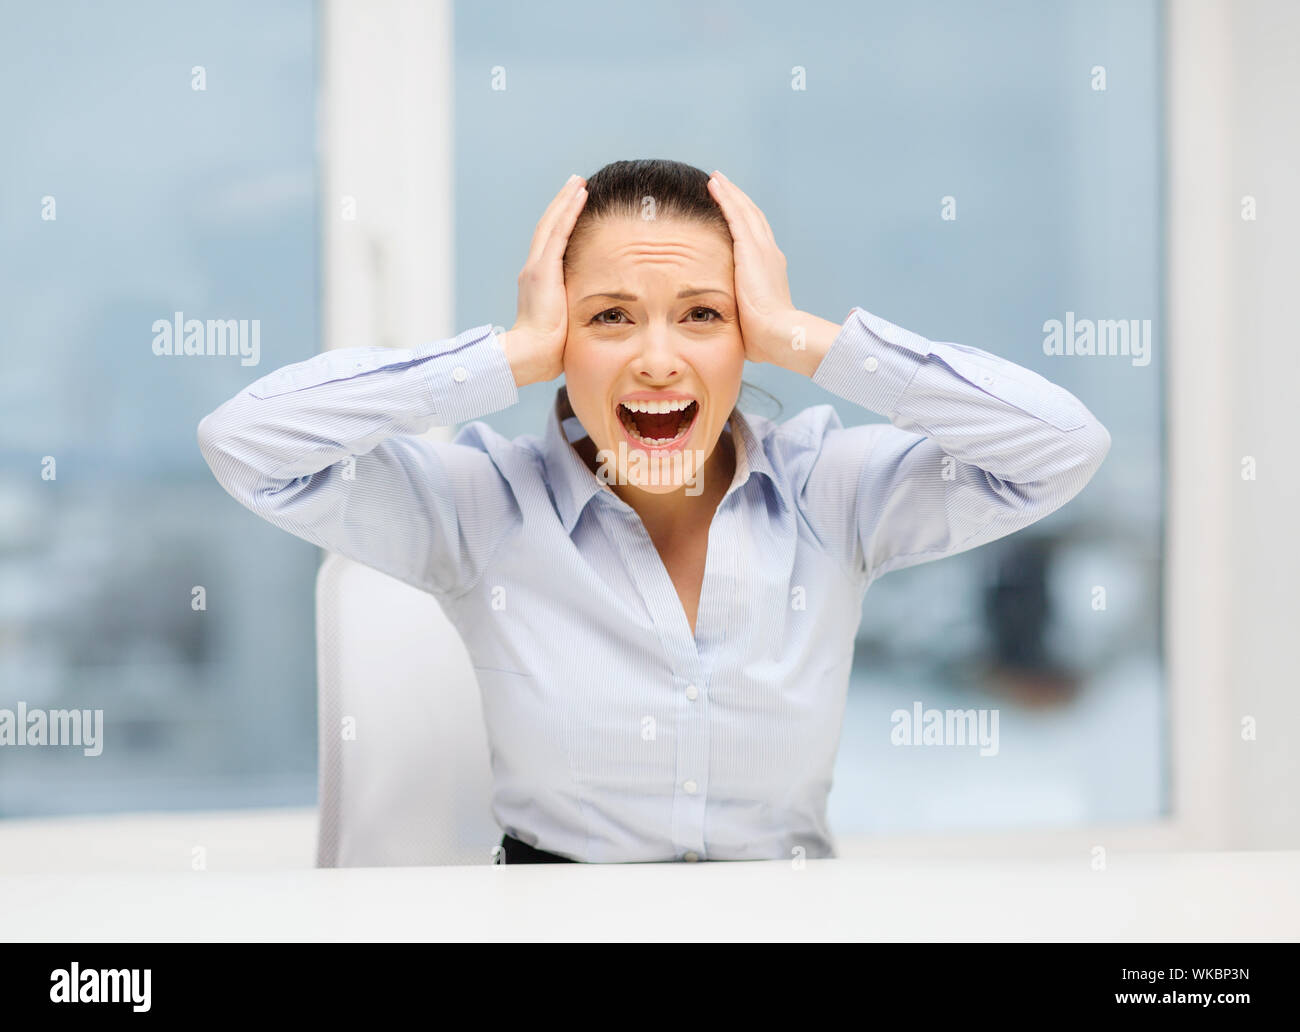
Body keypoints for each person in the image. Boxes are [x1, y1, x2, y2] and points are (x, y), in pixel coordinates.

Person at [197, 159, 1110, 864]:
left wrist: (812, 342)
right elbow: (249, 445)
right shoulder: (480, 508)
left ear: (746, 336)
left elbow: (1059, 448)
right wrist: (504, 355)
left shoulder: (828, 491)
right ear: (563, 339)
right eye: (610, 318)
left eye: (703, 316)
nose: (659, 360)